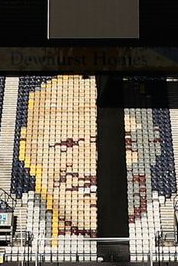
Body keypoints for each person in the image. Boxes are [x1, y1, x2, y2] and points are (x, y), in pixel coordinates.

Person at [17, 75, 155, 237]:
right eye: (67, 144)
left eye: (121, 140)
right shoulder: (27, 225)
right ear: (29, 151)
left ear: (154, 144)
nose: (92, 159)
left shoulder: (158, 221)